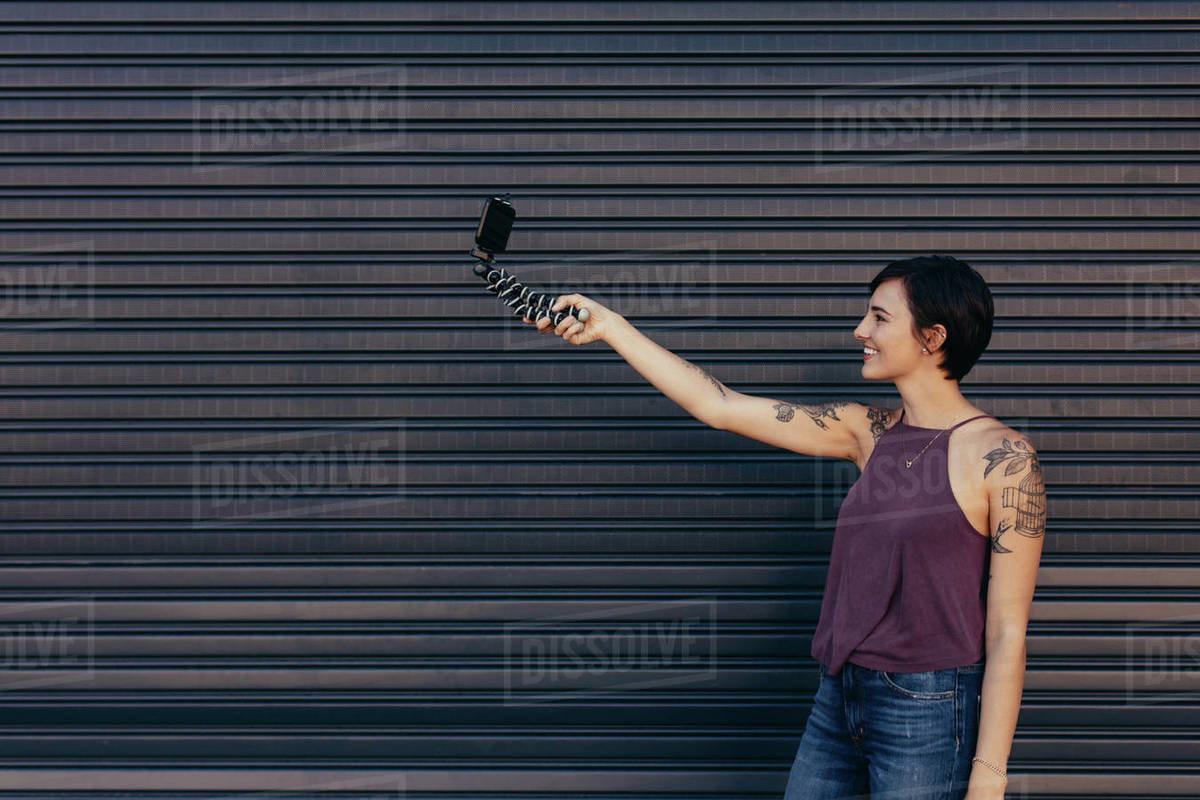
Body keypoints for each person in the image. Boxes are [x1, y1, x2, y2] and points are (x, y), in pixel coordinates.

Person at [521, 255, 1044, 800]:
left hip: (929, 707)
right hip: (839, 692)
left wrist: (990, 773)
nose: (860, 330)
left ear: (932, 337)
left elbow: (1007, 631)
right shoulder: (866, 432)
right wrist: (612, 328)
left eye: (879, 317)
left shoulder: (1004, 459)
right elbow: (720, 406)